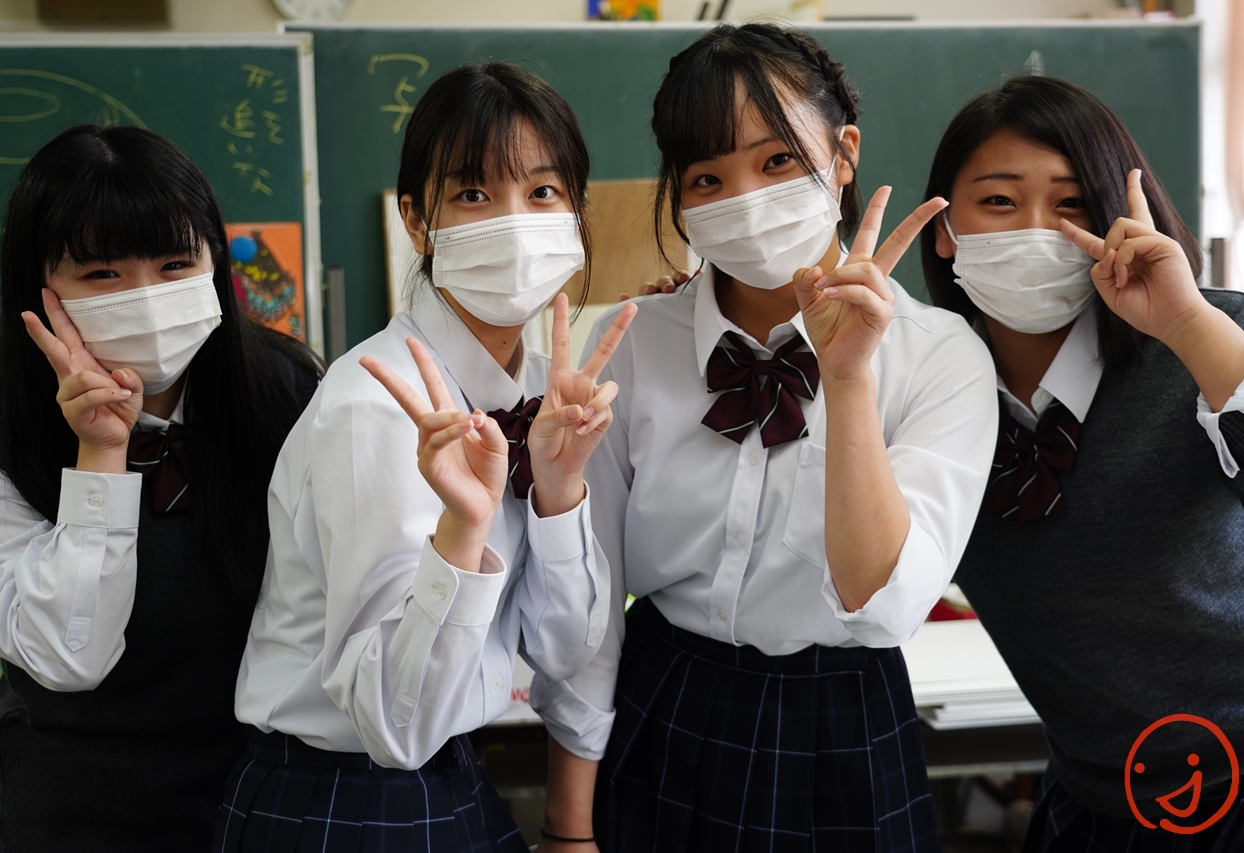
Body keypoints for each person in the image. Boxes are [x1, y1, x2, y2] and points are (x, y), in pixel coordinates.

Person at [533, 24, 998, 853]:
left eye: (778, 160)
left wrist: (849, 376)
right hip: (667, 698)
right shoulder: (629, 345)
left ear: (844, 152)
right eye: (708, 176)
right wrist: (569, 827)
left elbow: (885, 602)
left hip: (845, 722)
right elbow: (590, 607)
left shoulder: (939, 356)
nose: (745, 196)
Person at [218, 62, 635, 852]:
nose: (513, 221)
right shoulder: (376, 409)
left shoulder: (547, 396)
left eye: (543, 192)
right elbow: (392, 724)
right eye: (473, 193)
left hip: (448, 777)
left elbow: (563, 649)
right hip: (340, 798)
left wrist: (559, 490)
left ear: (577, 215)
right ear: (417, 220)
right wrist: (462, 532)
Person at [0, 125, 323, 851]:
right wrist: (100, 453)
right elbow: (70, 656)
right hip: (78, 809)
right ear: (39, 287)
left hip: (261, 789)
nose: (147, 298)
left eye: (173, 264)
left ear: (215, 264)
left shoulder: (289, 389)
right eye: (103, 275)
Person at [920, 75, 1244, 852]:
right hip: (1097, 798)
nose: (1038, 230)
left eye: (1072, 204)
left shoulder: (1212, 334)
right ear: (943, 229)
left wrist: (1185, 321)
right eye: (998, 202)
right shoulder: (930, 395)